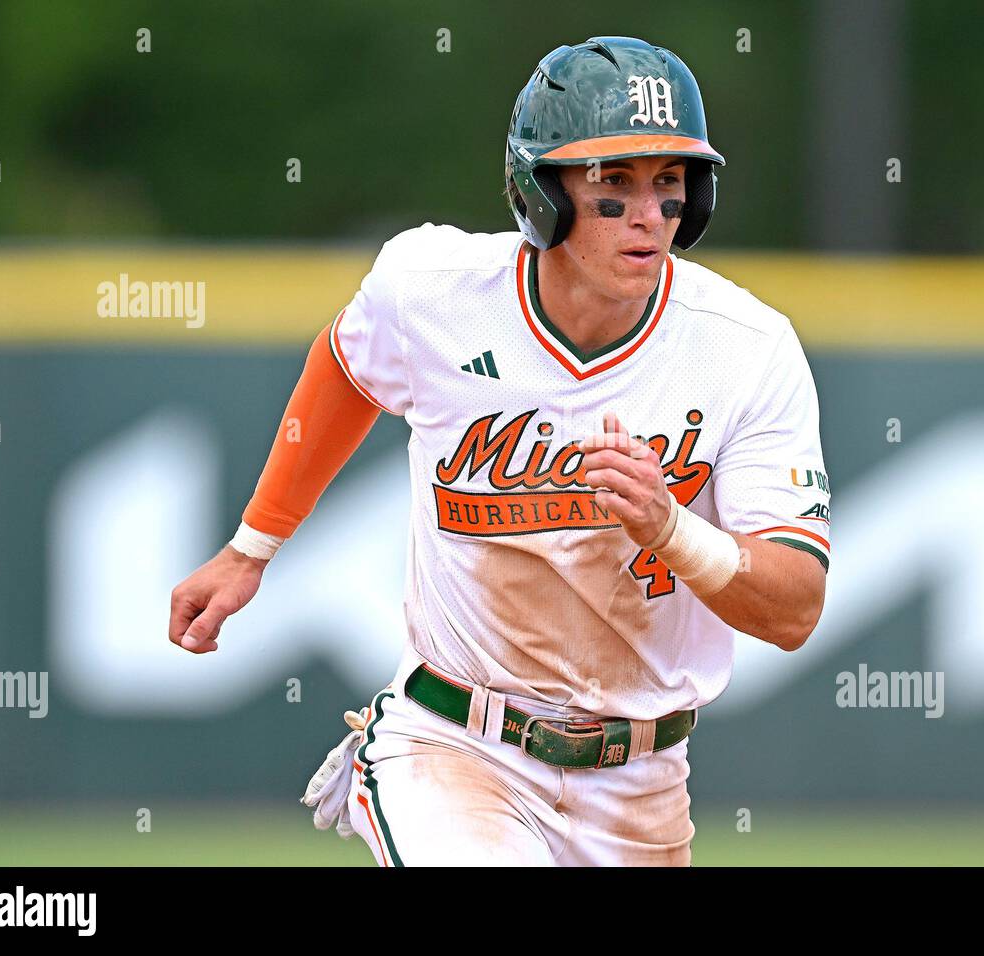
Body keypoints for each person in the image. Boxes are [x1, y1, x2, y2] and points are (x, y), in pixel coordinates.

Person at [169, 35, 830, 867]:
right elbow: (344, 368)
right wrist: (252, 547)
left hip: (642, 782)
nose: (648, 215)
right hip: (457, 745)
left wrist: (672, 529)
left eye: (670, 184)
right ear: (540, 192)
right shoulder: (434, 292)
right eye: (612, 185)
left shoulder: (746, 348)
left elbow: (795, 607)